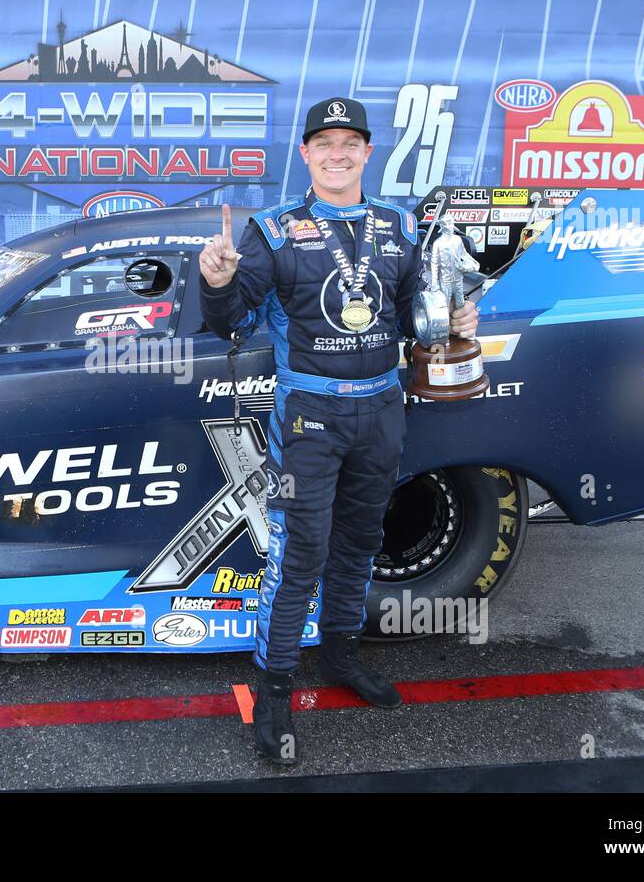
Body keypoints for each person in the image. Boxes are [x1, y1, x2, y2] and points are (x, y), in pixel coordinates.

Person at [199, 97, 478, 764]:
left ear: (366, 151)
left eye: (350, 141)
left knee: (362, 540)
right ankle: (273, 693)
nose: (337, 153)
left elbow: (415, 316)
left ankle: (342, 656)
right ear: (305, 153)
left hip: (383, 409)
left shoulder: (400, 226)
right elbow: (230, 323)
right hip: (308, 419)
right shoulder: (272, 230)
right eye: (324, 142)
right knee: (301, 551)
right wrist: (216, 282)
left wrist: (450, 324)